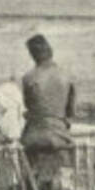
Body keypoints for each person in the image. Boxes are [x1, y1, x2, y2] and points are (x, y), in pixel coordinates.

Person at [20, 33, 76, 163]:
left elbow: (30, 108)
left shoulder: (28, 78)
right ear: (51, 51)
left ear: (33, 55)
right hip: (60, 137)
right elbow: (71, 112)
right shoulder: (67, 77)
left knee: (30, 177)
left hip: (32, 138)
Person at [0, 76, 24, 140]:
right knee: (13, 129)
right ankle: (10, 138)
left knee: (5, 126)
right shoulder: (16, 90)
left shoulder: (1, 87)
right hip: (10, 110)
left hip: (3, 109)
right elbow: (20, 104)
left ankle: (6, 136)